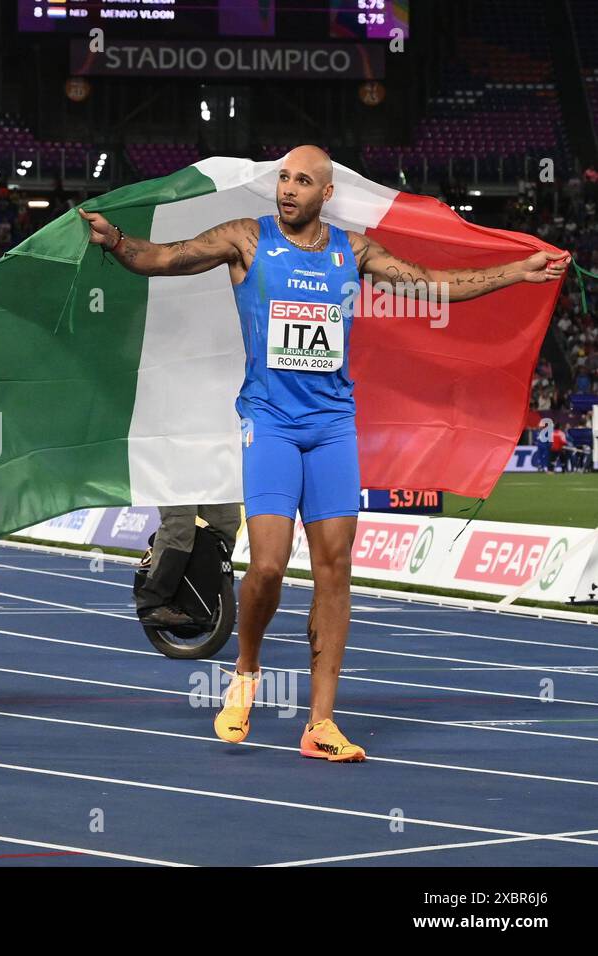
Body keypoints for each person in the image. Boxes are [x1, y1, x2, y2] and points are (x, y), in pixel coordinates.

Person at [81, 145, 570, 762]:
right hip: (272, 423)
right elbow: (164, 259)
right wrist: (117, 240)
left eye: (302, 181)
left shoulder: (351, 251)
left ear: (326, 194)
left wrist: (513, 273)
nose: (287, 189)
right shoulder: (246, 240)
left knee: (335, 568)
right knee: (268, 567)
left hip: (334, 426)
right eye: (283, 177)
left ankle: (321, 723)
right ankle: (247, 672)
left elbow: (433, 285)